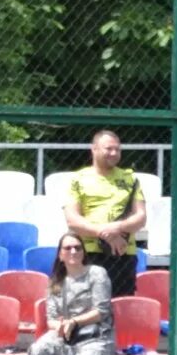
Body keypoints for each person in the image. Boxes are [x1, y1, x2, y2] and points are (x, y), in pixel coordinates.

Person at [62, 130, 148, 306]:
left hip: (122, 252)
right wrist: (103, 232)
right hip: (88, 254)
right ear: (94, 149)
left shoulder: (130, 179)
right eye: (109, 149)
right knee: (87, 307)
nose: (114, 153)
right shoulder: (78, 179)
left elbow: (141, 217)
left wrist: (116, 228)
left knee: (122, 309)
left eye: (117, 149)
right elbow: (72, 220)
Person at [29, 237, 114, 355]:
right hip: (64, 333)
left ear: (84, 252)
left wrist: (74, 322)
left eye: (77, 247)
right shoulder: (55, 282)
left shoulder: (96, 273)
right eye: (68, 248)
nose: (73, 252)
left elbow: (101, 311)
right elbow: (51, 318)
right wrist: (59, 326)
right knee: (38, 350)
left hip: (96, 334)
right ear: (60, 255)